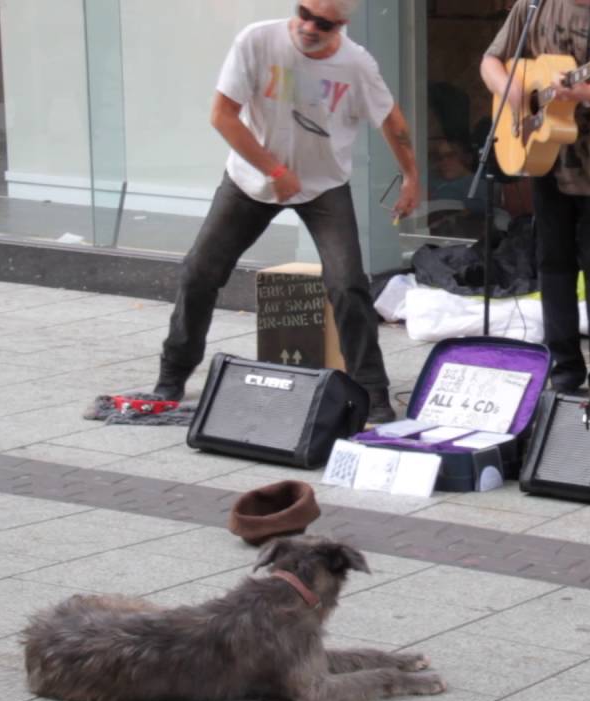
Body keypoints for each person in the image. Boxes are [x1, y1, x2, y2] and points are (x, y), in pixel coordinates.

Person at [151, 0, 420, 425]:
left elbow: (392, 120)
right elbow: (222, 115)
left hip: (323, 184)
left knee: (348, 284)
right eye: (304, 13)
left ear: (341, 25)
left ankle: (372, 391)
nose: (309, 27)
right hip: (250, 180)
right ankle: (172, 375)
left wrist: (411, 177)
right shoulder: (257, 41)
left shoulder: (356, 65)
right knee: (200, 271)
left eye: (323, 23)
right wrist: (274, 170)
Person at [481, 0, 590, 394]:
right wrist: (512, 91)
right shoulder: (534, 4)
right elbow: (491, 61)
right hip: (548, 159)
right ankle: (564, 370)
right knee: (554, 266)